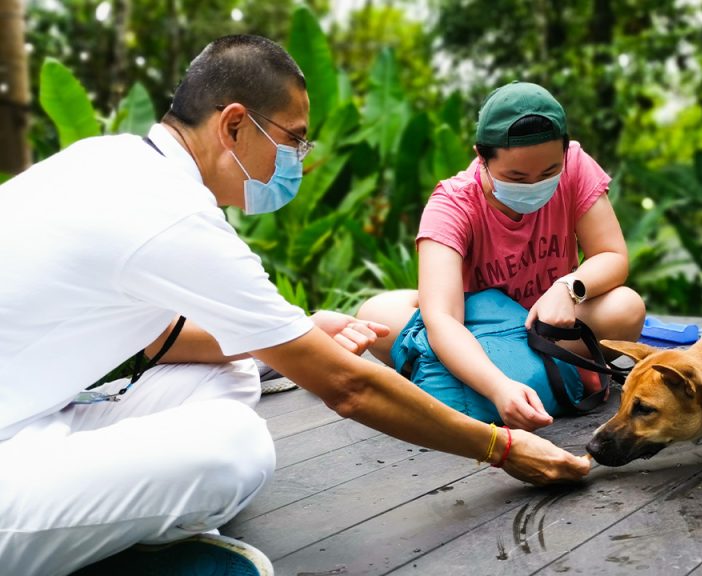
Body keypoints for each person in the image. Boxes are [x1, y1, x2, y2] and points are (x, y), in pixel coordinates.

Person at [0, 36, 590, 576]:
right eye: (292, 139)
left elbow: (160, 339)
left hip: (32, 415)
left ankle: (118, 517)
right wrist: (501, 448)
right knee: (237, 451)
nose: (298, 160)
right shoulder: (172, 215)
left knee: (233, 375)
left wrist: (299, 332)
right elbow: (348, 388)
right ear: (234, 125)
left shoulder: (116, 162)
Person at [357, 82, 645, 432]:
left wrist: (569, 287)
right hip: (479, 331)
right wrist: (499, 388)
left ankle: (482, 368)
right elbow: (444, 320)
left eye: (548, 173)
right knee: (375, 318)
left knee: (626, 307)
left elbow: (611, 255)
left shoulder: (576, 164)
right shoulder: (452, 204)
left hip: (549, 325)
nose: (534, 184)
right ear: (482, 156)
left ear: (565, 153)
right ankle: (534, 369)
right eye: (516, 176)